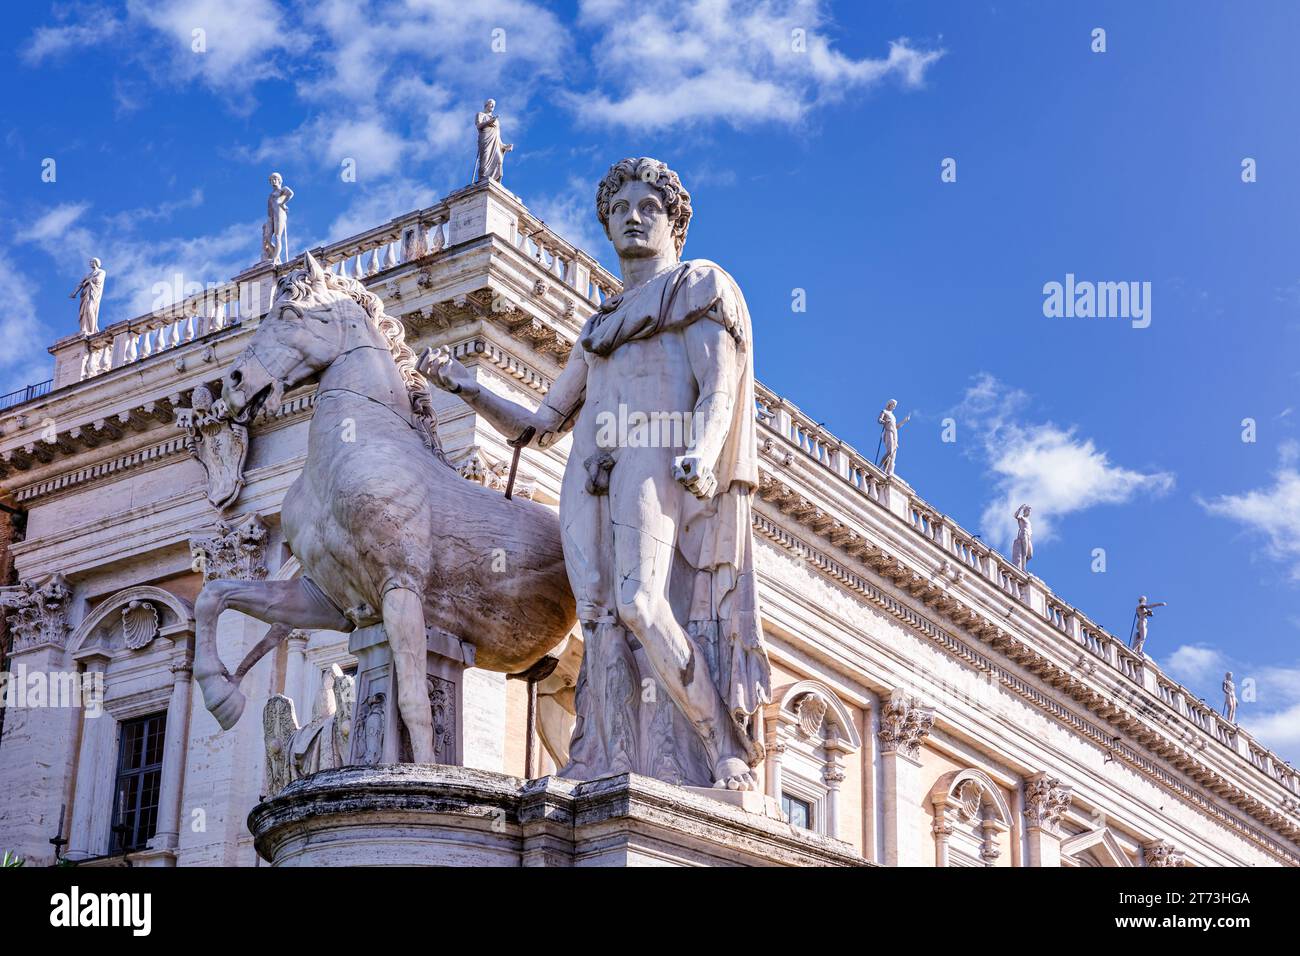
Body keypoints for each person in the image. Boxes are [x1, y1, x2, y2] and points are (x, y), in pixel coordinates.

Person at [420, 157, 770, 790]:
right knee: (601, 617)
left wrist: (702, 447)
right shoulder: (599, 327)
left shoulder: (697, 286)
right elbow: (541, 425)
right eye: (619, 210)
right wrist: (469, 388)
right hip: (588, 468)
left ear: (675, 223)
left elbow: (720, 384)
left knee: (641, 602)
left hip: (655, 448)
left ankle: (722, 748)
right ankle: (598, 757)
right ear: (606, 224)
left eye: (648, 208)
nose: (632, 218)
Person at [69, 258, 105, 335]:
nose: (90, 263)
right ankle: (85, 328)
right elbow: (80, 284)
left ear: (96, 262)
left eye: (92, 262)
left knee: (90, 308)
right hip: (85, 294)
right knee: (84, 311)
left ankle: (93, 329)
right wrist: (74, 293)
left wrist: (88, 281)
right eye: (90, 262)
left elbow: (98, 279)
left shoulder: (101, 272)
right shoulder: (87, 275)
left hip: (93, 293)